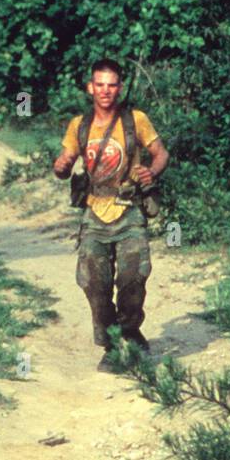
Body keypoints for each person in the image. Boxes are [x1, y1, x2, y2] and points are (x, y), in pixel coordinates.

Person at [53, 59, 169, 367]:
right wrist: (60, 167)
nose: (106, 91)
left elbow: (160, 153)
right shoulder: (80, 125)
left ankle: (130, 334)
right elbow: (64, 161)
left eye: (112, 84)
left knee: (134, 278)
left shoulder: (136, 120)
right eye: (100, 84)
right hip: (94, 214)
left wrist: (151, 173)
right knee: (93, 282)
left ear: (119, 88)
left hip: (129, 211)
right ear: (90, 87)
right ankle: (110, 343)